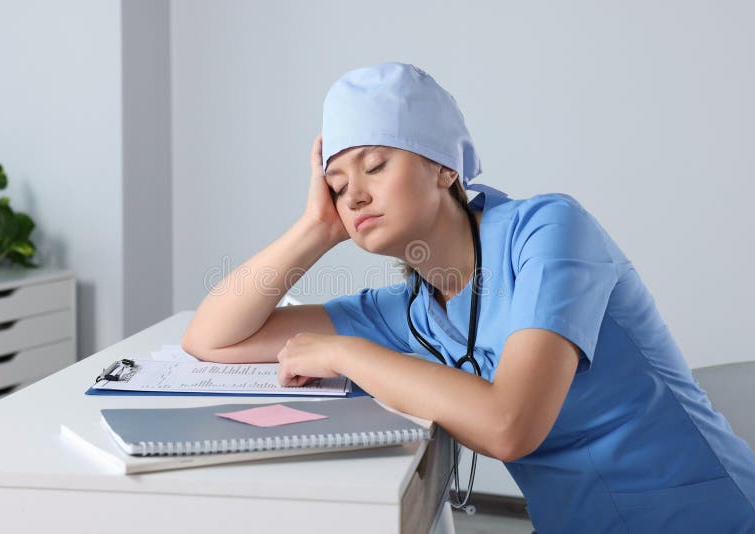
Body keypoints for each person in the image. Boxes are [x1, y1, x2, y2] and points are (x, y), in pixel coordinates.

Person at [181, 62, 755, 533]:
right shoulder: (410, 312)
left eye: (375, 166)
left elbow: (510, 426)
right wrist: (315, 228)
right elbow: (211, 338)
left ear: (444, 168)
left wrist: (346, 353)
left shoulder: (550, 230)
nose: (353, 197)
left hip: (707, 520)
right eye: (337, 185)